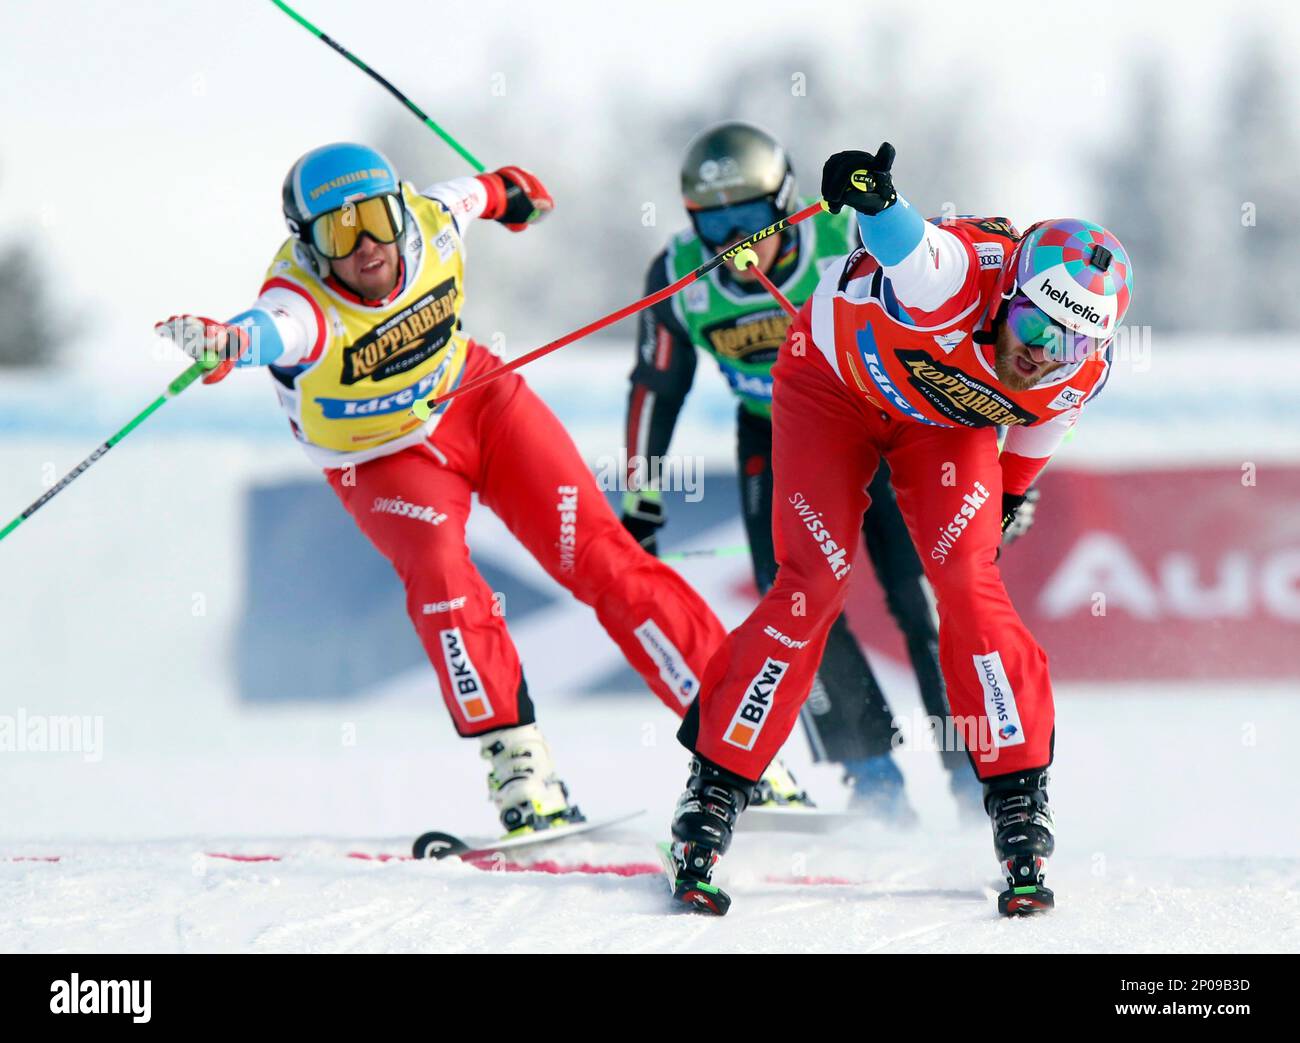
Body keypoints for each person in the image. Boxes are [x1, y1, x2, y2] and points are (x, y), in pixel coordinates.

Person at [156, 142, 729, 837]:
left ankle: (735, 745)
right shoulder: (299, 306)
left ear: (400, 205)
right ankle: (521, 769)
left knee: (600, 554)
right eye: (340, 230)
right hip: (380, 457)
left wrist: (516, 193)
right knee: (441, 575)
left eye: (375, 216)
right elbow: (262, 332)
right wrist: (223, 343)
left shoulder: (430, 220)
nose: (367, 243)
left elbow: (488, 190)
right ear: (308, 247)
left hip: (477, 401)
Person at [664, 141, 1133, 916]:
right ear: (1007, 289)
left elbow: (1039, 427)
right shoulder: (955, 276)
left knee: (968, 584)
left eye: (1069, 342)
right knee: (812, 585)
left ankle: (1018, 799)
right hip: (831, 390)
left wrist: (1010, 493)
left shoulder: (1076, 373)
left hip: (941, 427)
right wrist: (873, 192)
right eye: (1029, 323)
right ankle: (714, 789)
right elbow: (902, 236)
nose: (1038, 355)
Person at [622, 121, 975, 820]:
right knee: (798, 602)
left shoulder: (843, 239)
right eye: (712, 222)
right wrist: (643, 488)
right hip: (780, 433)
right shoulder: (677, 277)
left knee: (920, 600)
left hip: (885, 421)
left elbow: (943, 286)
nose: (734, 239)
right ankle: (870, 773)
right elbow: (656, 385)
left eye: (749, 217)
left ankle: (972, 773)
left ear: (784, 203)